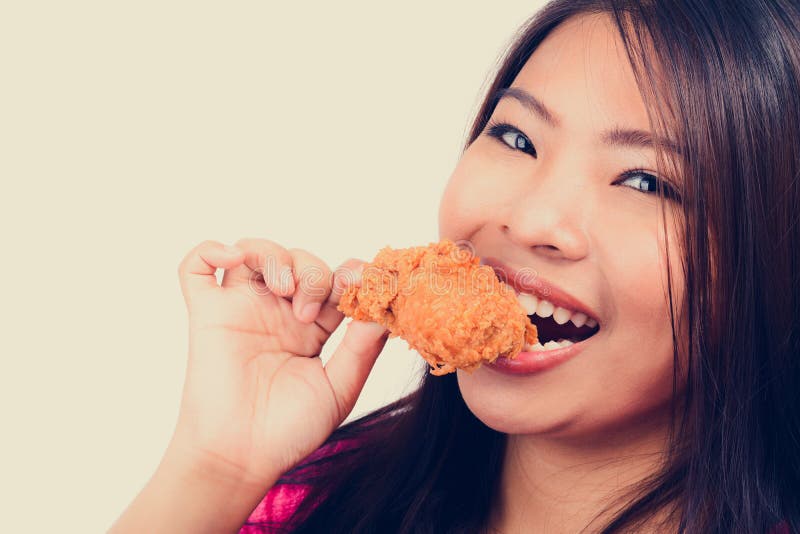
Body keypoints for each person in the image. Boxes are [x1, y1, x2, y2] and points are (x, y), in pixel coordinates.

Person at [108, 0, 800, 532]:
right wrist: (215, 467)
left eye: (645, 181)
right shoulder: (318, 501)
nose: (531, 221)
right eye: (517, 137)